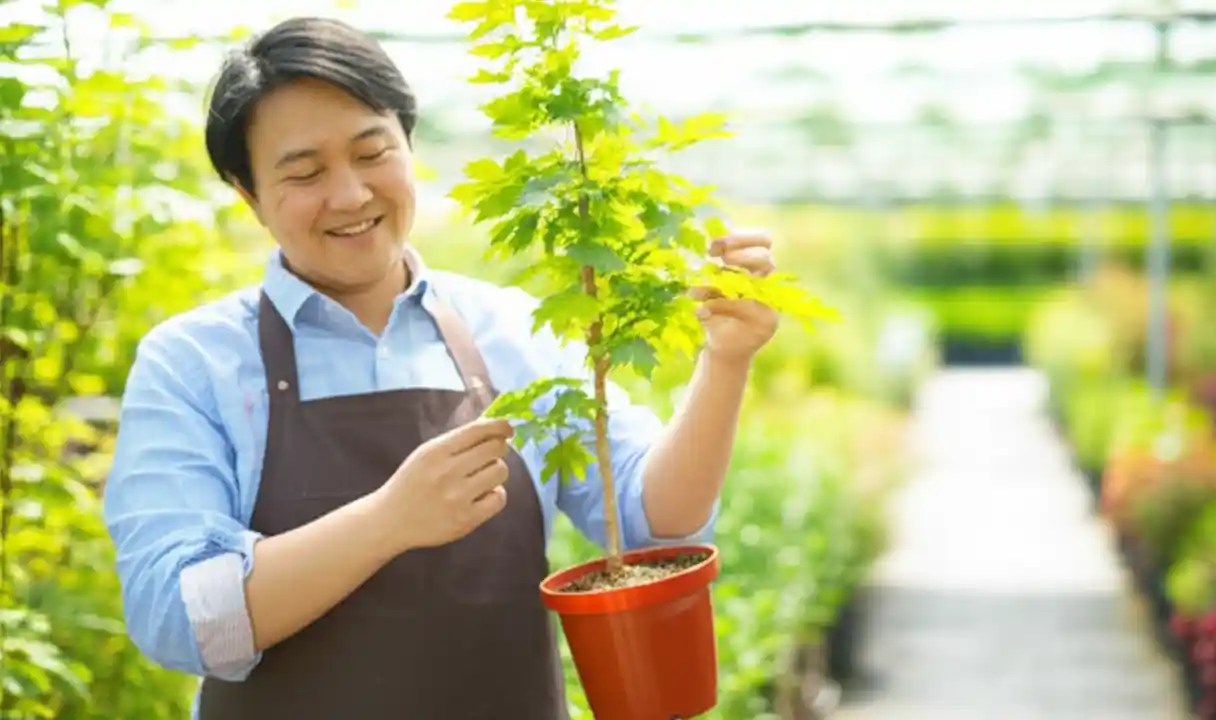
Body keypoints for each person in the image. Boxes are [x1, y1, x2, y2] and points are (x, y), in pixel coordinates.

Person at [103, 16, 779, 719]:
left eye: (373, 153)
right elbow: (178, 618)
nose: (351, 195)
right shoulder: (195, 362)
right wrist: (388, 522)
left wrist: (725, 362)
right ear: (248, 196)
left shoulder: (511, 329)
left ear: (408, 145)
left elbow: (655, 524)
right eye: (305, 172)